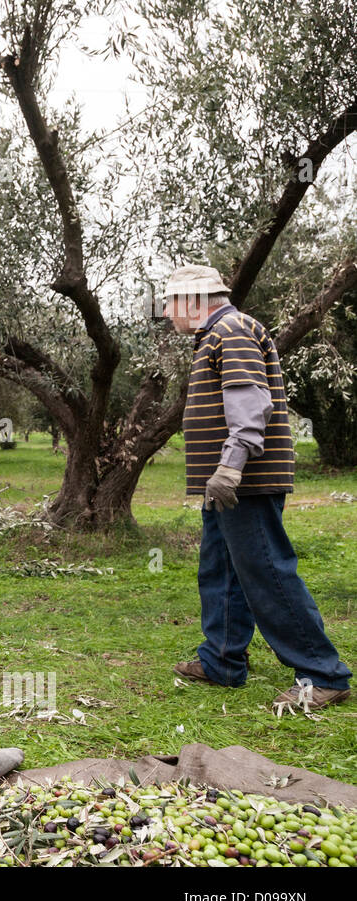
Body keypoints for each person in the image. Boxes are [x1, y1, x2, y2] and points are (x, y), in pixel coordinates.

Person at [165, 265, 351, 711]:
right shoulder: (216, 334)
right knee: (221, 570)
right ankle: (222, 661)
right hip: (225, 483)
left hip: (243, 481)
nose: (168, 312)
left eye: (171, 302)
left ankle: (323, 673)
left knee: (267, 572)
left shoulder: (230, 329)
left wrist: (229, 469)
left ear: (194, 300)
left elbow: (251, 403)